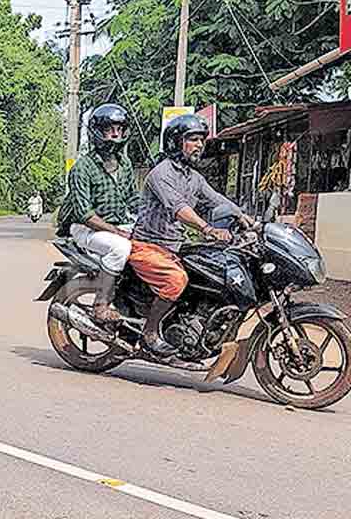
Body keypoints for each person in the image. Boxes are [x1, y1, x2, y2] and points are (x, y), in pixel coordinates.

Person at [129, 114, 254, 357]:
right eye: (192, 139)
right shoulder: (161, 173)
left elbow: (216, 199)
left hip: (175, 246)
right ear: (176, 142)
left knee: (211, 272)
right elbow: (179, 208)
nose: (199, 145)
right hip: (148, 245)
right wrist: (207, 229)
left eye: (201, 140)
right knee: (176, 280)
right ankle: (150, 334)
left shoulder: (192, 177)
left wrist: (246, 219)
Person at [56, 103, 136, 325]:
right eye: (109, 128)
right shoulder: (83, 167)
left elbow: (133, 199)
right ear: (97, 132)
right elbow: (84, 214)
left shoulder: (125, 164)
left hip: (119, 226)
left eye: (119, 129)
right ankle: (100, 305)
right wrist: (118, 232)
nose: (115, 133)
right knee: (120, 248)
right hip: (86, 229)